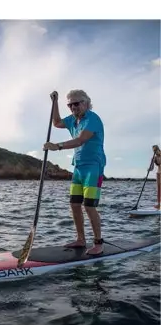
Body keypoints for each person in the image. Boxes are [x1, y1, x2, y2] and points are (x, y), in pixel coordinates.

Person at [43, 90, 106, 255]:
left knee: (89, 206)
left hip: (93, 168)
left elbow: (80, 140)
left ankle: (98, 243)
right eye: (69, 104)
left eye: (76, 103)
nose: (73, 107)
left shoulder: (93, 119)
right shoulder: (72, 120)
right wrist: (54, 102)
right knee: (74, 204)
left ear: (86, 102)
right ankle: (80, 239)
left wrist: (57, 146)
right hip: (78, 167)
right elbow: (56, 122)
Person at [149, 145, 161, 209]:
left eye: (155, 150)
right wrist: (150, 167)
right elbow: (152, 168)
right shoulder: (154, 158)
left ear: (158, 149)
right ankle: (159, 204)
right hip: (158, 173)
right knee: (158, 190)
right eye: (153, 151)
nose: (154, 152)